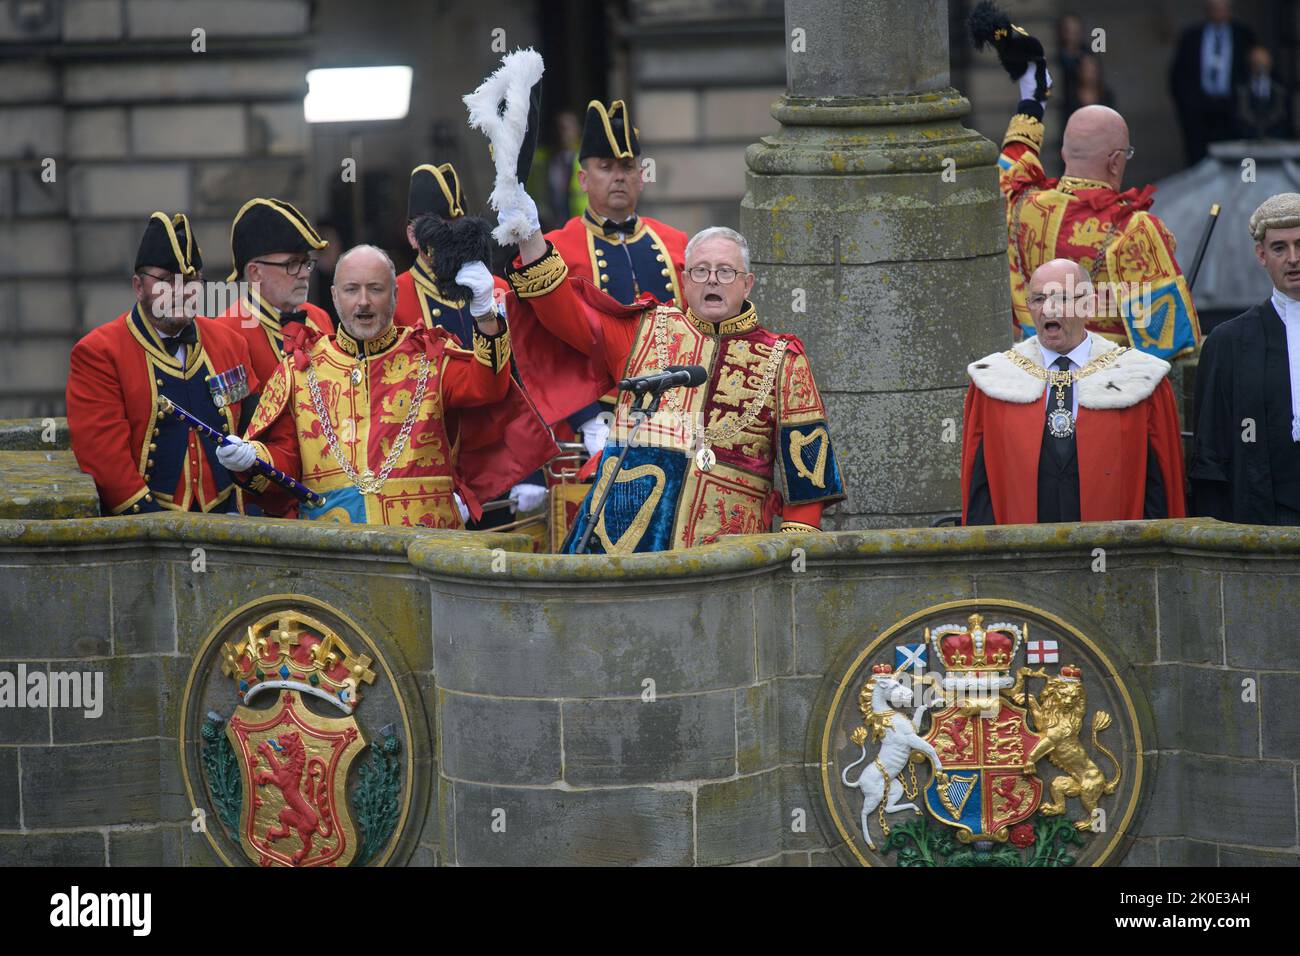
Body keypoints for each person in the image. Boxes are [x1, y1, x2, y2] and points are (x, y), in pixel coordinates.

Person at [505, 213, 846, 552]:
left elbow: (809, 481)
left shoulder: (784, 358)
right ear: (684, 280)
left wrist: (789, 564)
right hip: (622, 550)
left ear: (748, 283)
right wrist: (529, 234)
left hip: (730, 560)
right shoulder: (643, 330)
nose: (712, 280)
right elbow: (563, 313)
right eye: (701, 270)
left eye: (725, 271)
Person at [220, 245, 555, 528]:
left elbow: (488, 387)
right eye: (352, 290)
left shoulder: (430, 356)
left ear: (394, 294)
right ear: (335, 296)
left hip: (425, 549)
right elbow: (286, 460)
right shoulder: (299, 370)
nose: (363, 301)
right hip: (337, 558)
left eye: (375, 289)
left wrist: (484, 317)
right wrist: (253, 458)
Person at [995, 36, 1200, 361]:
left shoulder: (1021, 206)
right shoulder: (1134, 230)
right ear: (1116, 160)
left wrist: (1032, 103)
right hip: (1103, 396)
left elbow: (1011, 165)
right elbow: (1167, 342)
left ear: (1063, 152)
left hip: (1033, 382)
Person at [962, 259, 1187, 525]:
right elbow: (979, 490)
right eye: (1037, 299)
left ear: (1089, 305)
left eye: (1062, 298)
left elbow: (1161, 486)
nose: (1048, 309)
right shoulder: (995, 380)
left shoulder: (1139, 378)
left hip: (1115, 555)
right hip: (1024, 556)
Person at [67, 212, 259, 515]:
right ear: (138, 286)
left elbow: (257, 431)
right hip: (147, 530)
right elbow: (105, 461)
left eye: (191, 281)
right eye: (167, 281)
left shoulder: (231, 343)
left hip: (229, 522)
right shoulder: (99, 353)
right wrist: (158, 528)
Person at [544, 99, 691, 454]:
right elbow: (548, 348)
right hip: (594, 421)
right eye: (606, 166)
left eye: (627, 166)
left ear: (641, 175)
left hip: (674, 411)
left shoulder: (677, 242)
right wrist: (587, 418)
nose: (619, 176)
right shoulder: (555, 250)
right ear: (583, 179)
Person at [1191, 193, 1300, 525]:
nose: (1293, 258)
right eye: (1280, 248)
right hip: (1266, 517)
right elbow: (1210, 455)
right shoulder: (1229, 343)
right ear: (1261, 255)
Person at [211, 197, 335, 388]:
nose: (304, 274)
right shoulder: (226, 332)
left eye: (306, 263)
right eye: (292, 264)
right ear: (255, 273)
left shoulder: (319, 317)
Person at [393, 163, 508, 341]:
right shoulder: (394, 298)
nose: (453, 238)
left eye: (459, 226)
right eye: (441, 229)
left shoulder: (497, 288)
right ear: (413, 237)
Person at [1171, 0, 1256, 165]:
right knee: (1198, 157)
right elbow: (1178, 75)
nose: (1218, 13)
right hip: (1200, 108)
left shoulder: (1243, 35)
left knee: (1234, 158)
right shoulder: (1191, 36)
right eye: (1214, 8)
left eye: (1222, 8)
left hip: (1233, 107)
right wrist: (1188, 105)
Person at [1235, 46, 1291, 140]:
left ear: (1270, 65)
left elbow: (1283, 116)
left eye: (1264, 65)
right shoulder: (1241, 89)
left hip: (1275, 141)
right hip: (1246, 141)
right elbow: (1240, 116)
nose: (1261, 69)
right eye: (1256, 64)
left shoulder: (1280, 89)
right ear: (1250, 65)